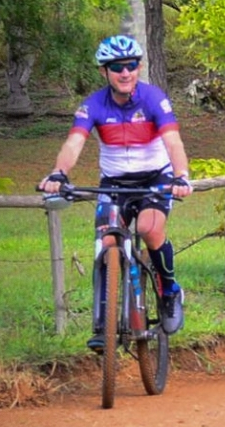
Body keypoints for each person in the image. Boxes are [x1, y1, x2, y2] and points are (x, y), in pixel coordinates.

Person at [38, 35, 194, 348]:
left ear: (139, 67)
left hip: (154, 179)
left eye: (132, 65)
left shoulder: (153, 98)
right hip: (113, 183)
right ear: (104, 72)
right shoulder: (93, 104)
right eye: (117, 67)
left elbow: (173, 141)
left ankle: (169, 291)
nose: (125, 73)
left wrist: (181, 176)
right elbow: (74, 142)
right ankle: (102, 325)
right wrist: (59, 173)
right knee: (106, 243)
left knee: (150, 230)